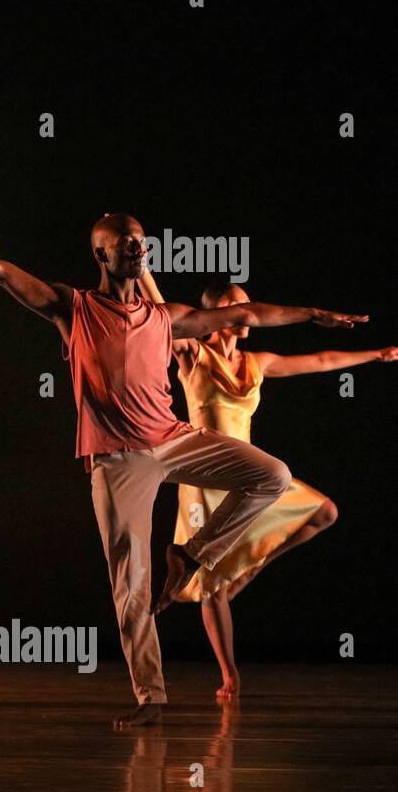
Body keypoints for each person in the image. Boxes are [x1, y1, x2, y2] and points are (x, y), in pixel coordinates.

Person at [0, 212, 365, 727]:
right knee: (132, 583)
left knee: (273, 476)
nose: (137, 249)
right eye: (126, 244)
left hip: (172, 440)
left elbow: (253, 316)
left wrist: (311, 313)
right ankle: (151, 698)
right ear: (102, 255)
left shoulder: (166, 316)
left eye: (142, 243)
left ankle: (192, 555)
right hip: (117, 458)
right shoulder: (73, 307)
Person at [140, 271, 396, 699]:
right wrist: (144, 267)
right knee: (211, 585)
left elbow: (319, 361)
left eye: (249, 305)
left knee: (323, 512)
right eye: (239, 306)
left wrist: (374, 355)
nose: (249, 314)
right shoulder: (191, 355)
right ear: (214, 314)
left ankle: (243, 574)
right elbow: (159, 311)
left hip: (253, 478)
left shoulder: (256, 363)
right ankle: (230, 677)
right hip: (206, 482)